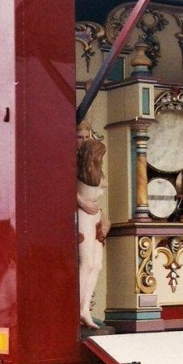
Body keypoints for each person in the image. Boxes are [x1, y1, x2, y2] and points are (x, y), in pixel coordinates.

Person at [77, 139, 109, 329]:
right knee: (86, 263)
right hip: (84, 214)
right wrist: (80, 200)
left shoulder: (95, 170)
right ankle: (76, 307)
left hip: (95, 215)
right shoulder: (79, 169)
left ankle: (85, 308)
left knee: (97, 265)